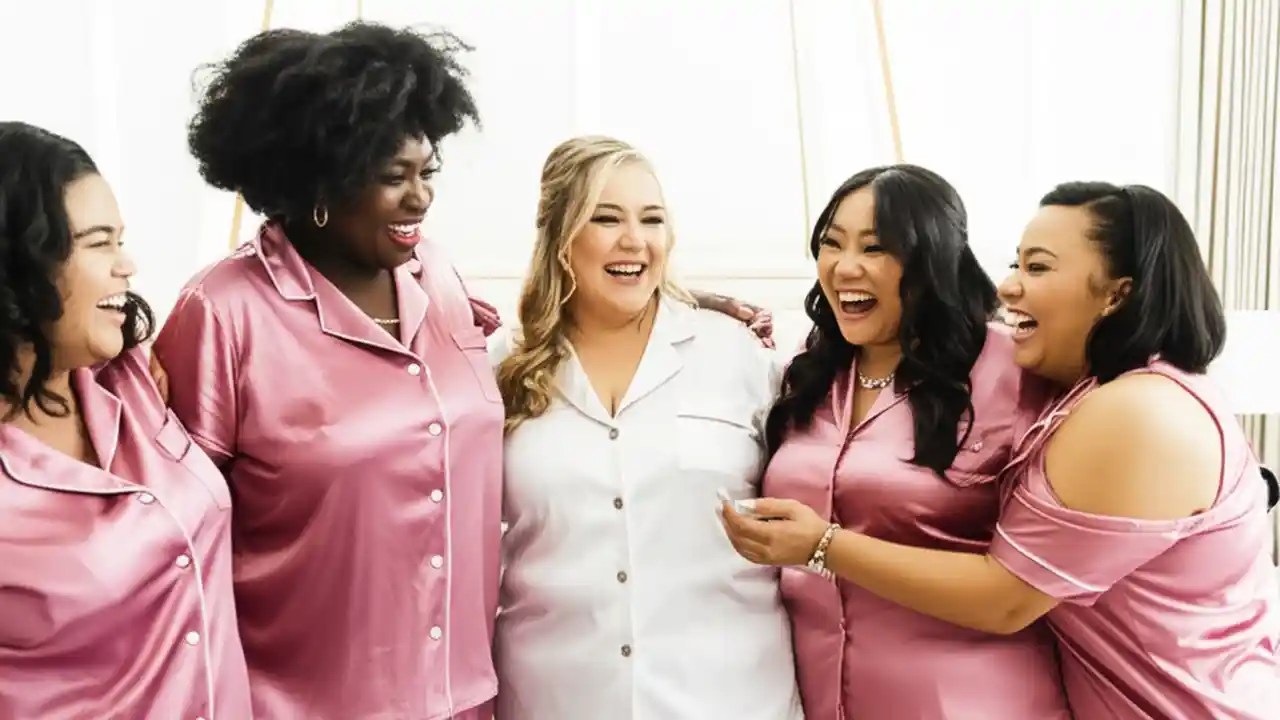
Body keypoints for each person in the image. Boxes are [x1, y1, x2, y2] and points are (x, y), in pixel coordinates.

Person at [150, 22, 771, 719]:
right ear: (318, 181)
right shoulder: (223, 311)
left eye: (427, 173)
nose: (421, 198)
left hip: (467, 699)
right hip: (303, 703)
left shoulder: (436, 278)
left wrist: (676, 304)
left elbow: (540, 336)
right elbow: (171, 535)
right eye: (394, 178)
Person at [724, 182, 1280, 718]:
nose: (1009, 286)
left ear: (1118, 293)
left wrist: (822, 546)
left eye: (1037, 267)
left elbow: (1006, 597)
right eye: (1017, 263)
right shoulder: (817, 368)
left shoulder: (1129, 406)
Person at [720, 165, 1072, 718]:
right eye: (831, 244)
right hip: (819, 701)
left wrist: (823, 546)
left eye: (876, 248)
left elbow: (1032, 579)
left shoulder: (1016, 373)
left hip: (975, 703)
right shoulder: (807, 375)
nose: (845, 267)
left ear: (931, 261)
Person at [489, 135, 803, 719]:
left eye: (651, 219)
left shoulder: (736, 355)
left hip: (731, 697)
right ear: (561, 235)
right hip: (555, 698)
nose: (635, 239)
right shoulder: (497, 366)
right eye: (606, 218)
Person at [0, 121, 251, 719]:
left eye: (121, 239)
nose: (127, 264)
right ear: (17, 264)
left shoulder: (130, 377)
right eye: (98, 243)